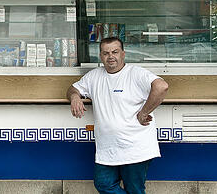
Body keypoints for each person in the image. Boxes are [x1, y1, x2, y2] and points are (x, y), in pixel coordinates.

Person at [67, 37, 169, 194]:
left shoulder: (136, 73)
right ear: (100, 56)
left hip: (135, 147)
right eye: (106, 53)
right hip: (107, 148)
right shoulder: (94, 76)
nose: (110, 56)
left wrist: (144, 112)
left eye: (115, 52)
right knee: (103, 184)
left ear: (123, 54)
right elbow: (73, 89)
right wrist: (74, 97)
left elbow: (161, 86)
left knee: (134, 189)